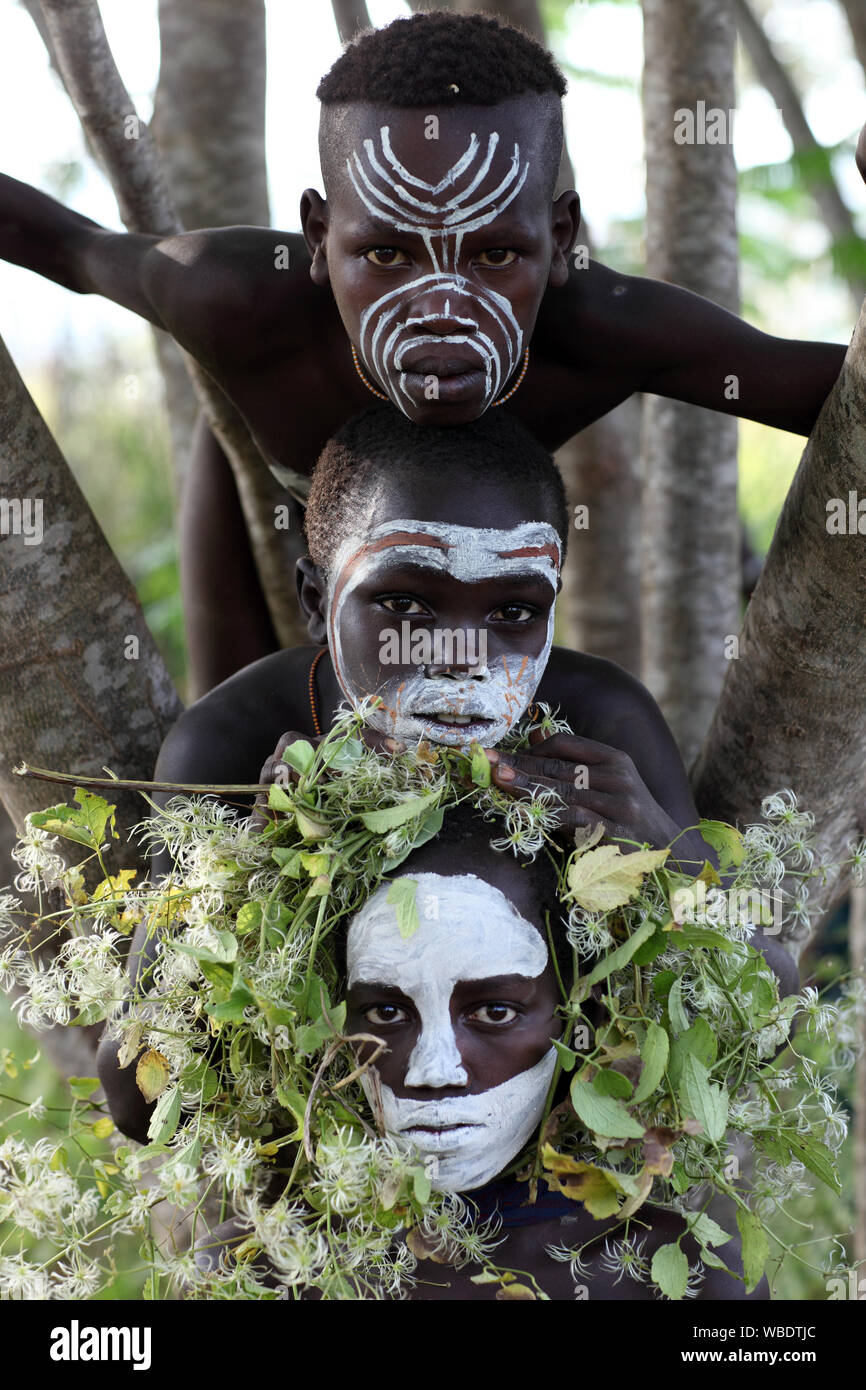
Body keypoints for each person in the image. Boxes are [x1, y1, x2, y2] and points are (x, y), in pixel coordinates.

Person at [0, 12, 858, 687]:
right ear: (317, 235)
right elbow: (70, 248)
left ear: (560, 240)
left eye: (494, 255)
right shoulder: (236, 302)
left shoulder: (600, 331)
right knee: (232, 761)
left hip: (467, 572)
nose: (443, 308)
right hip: (261, 503)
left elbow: (827, 394)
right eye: (384, 255)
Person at [95, 407, 796, 1139]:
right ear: (315, 601)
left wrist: (665, 851)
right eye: (405, 604)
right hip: (324, 1193)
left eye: (514, 611)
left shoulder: (596, 722)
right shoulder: (230, 744)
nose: (463, 652)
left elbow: (766, 1018)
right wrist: (240, 867)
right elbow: (137, 1106)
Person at [194, 807, 766, 1301]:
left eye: (494, 1013)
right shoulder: (263, 1272)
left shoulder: (685, 1275)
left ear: (582, 1019)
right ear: (326, 1023)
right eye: (387, 1014)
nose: (435, 1071)